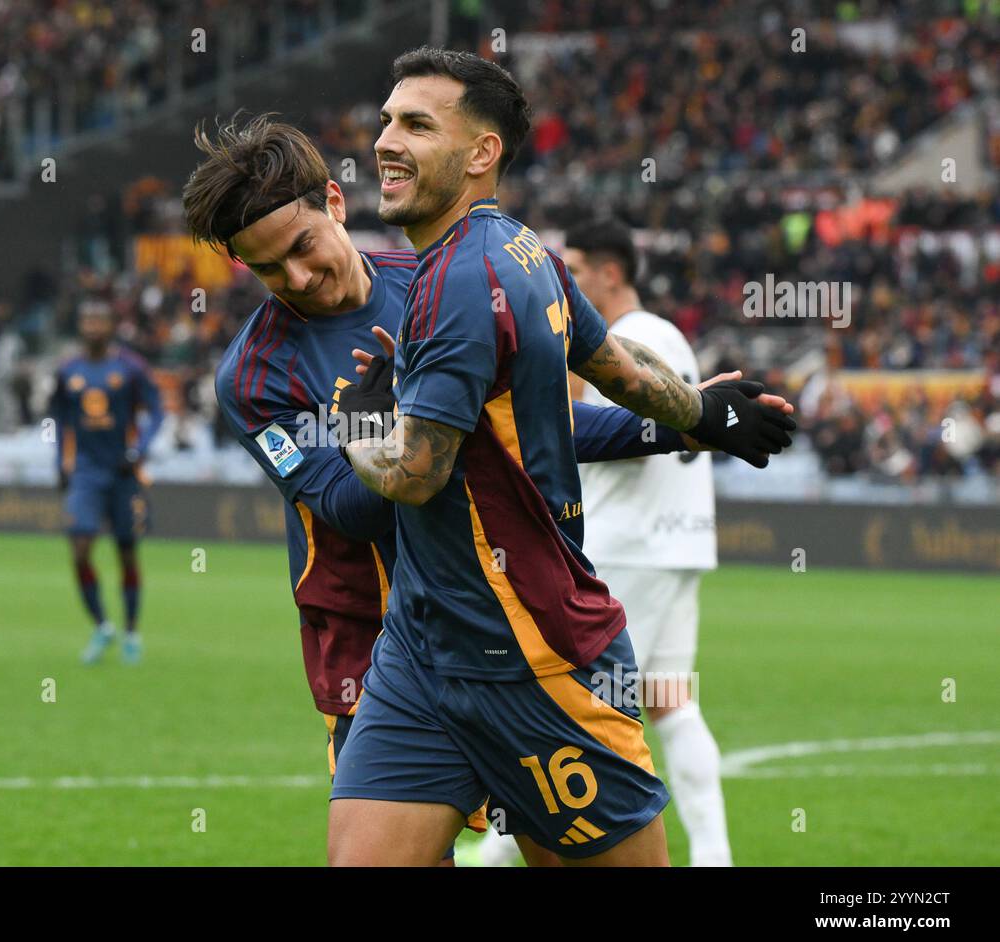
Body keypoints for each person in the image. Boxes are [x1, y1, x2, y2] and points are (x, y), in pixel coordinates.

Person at [184, 114, 792, 864]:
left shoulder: (438, 285)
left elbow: (537, 428)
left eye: (303, 248)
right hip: (372, 645)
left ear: (335, 205)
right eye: (269, 270)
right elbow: (342, 508)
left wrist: (685, 424)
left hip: (505, 625)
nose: (297, 280)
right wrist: (383, 435)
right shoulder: (252, 376)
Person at [566, 219, 733, 866]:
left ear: (611, 274)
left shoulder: (624, 339)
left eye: (576, 271)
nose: (567, 285)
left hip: (627, 544)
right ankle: (714, 857)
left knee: (579, 701)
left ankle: (501, 851)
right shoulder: (669, 335)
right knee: (670, 702)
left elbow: (633, 444)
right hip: (680, 539)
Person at [48, 300, 164, 665]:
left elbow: (157, 410)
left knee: (126, 552)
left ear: (113, 325)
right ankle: (101, 626)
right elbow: (57, 419)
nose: (93, 325)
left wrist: (139, 450)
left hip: (123, 473)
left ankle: (130, 631)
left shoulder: (130, 367)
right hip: (85, 472)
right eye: (86, 319)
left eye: (99, 319)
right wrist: (59, 464)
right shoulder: (68, 370)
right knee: (80, 548)